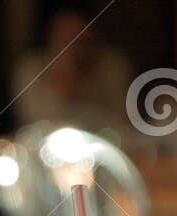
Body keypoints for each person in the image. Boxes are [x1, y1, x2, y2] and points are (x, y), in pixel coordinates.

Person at [12, 5, 133, 135]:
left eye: (82, 41)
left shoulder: (112, 66)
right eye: (65, 40)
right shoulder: (30, 68)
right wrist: (62, 79)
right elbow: (35, 122)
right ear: (51, 37)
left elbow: (121, 123)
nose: (73, 49)